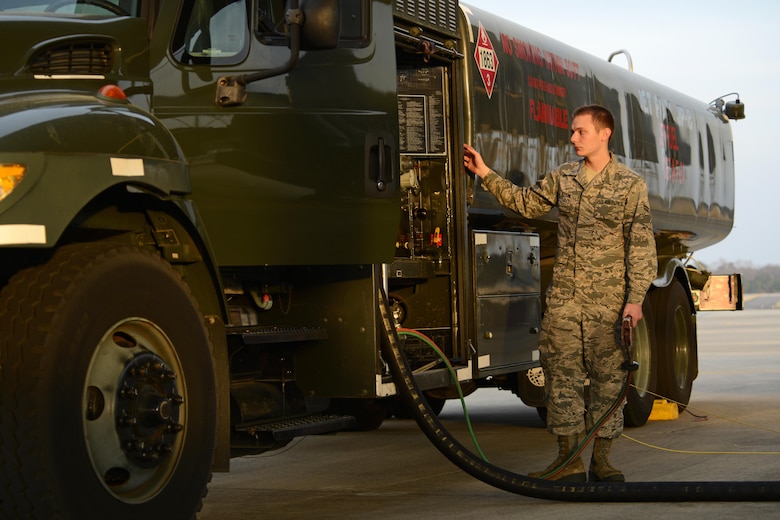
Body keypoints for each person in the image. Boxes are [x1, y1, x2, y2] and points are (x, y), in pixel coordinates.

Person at [463, 104, 657, 482]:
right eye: (572, 131)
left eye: (581, 131)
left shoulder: (629, 184)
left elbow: (641, 245)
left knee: (608, 380)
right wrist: (485, 172)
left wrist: (635, 300)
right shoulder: (564, 177)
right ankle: (568, 460)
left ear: (604, 134)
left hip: (608, 304)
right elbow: (525, 202)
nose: (573, 138)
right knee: (561, 377)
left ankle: (602, 461)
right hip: (565, 302)